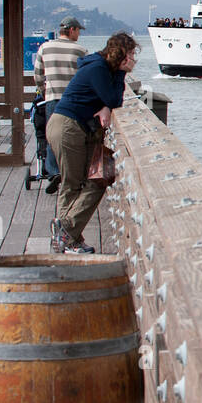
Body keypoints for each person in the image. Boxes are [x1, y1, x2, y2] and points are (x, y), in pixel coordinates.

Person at [46, 32, 138, 253]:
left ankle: (66, 238)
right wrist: (121, 75)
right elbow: (114, 98)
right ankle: (67, 234)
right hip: (68, 126)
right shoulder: (98, 68)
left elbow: (111, 100)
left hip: (75, 127)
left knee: (90, 180)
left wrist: (108, 102)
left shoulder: (103, 68)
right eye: (132, 54)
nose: (135, 58)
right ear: (122, 54)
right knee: (82, 182)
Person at [32, 16, 87, 194]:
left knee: (52, 136)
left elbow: (38, 75)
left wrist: (43, 90)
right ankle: (72, 174)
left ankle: (54, 171)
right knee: (74, 137)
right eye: (78, 30)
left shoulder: (45, 48)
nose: (78, 34)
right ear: (71, 30)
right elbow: (86, 76)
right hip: (74, 101)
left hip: (53, 99)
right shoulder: (80, 50)